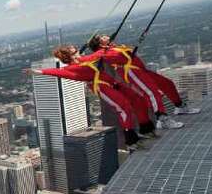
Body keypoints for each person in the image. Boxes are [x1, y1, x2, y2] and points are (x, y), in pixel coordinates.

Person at [25, 46, 154, 147]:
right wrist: (39, 72)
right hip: (102, 87)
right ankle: (131, 139)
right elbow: (58, 72)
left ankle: (145, 127)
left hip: (112, 84)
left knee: (137, 98)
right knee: (123, 106)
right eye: (75, 51)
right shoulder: (72, 69)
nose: (78, 53)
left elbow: (96, 55)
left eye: (76, 50)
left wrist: (106, 48)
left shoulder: (82, 60)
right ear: (69, 56)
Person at [87, 34, 201, 122]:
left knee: (167, 83)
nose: (106, 36)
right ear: (101, 44)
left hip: (139, 70)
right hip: (132, 72)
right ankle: (162, 119)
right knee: (152, 93)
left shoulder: (112, 48)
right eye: (102, 37)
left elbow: (125, 52)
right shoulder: (105, 53)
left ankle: (180, 107)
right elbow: (123, 57)